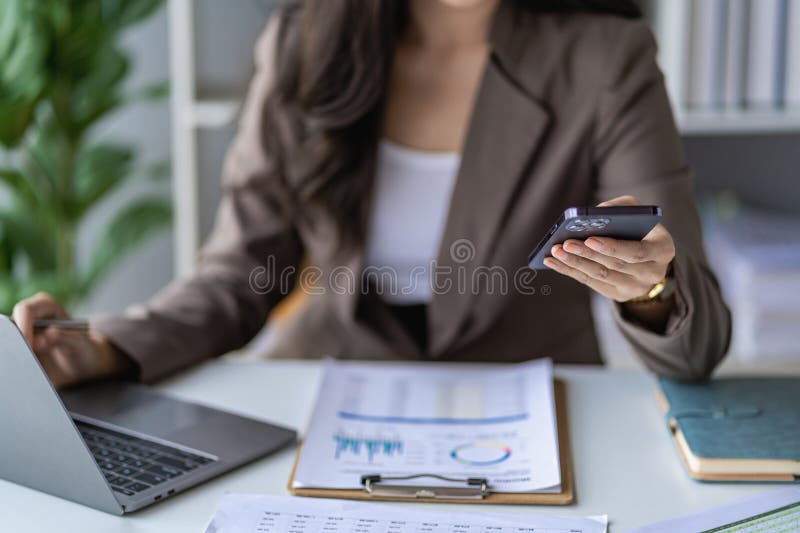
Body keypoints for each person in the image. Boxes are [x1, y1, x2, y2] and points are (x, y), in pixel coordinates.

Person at [13, 0, 731, 389]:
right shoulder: (303, 39)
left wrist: (650, 287)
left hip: (531, 409)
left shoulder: (607, 57)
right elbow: (238, 276)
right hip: (327, 395)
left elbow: (697, 346)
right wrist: (104, 344)